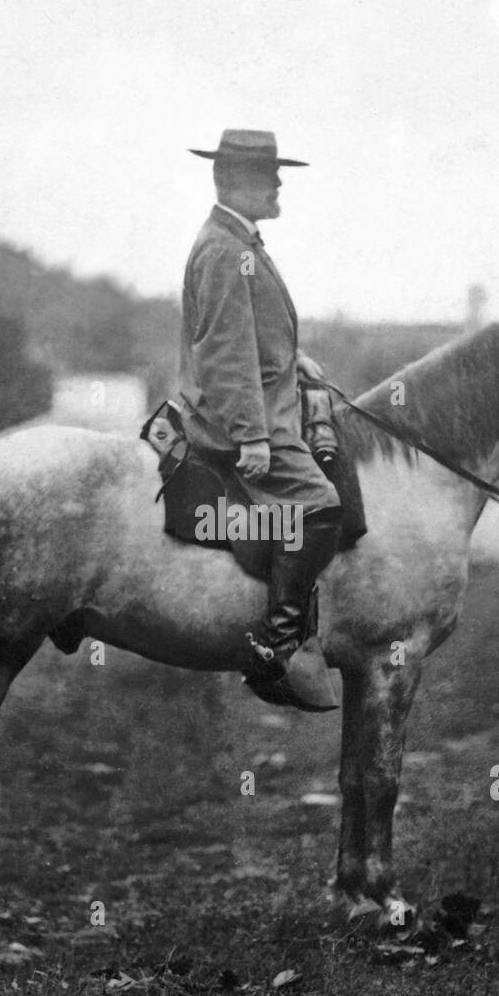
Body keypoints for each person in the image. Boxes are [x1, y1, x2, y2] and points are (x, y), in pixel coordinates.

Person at [178, 129, 342, 711]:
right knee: (322, 506)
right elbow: (223, 351)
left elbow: (250, 330)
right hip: (241, 419)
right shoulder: (226, 249)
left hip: (264, 399)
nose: (277, 185)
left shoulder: (238, 239)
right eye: (270, 175)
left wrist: (290, 358)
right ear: (238, 182)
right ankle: (275, 650)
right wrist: (251, 435)